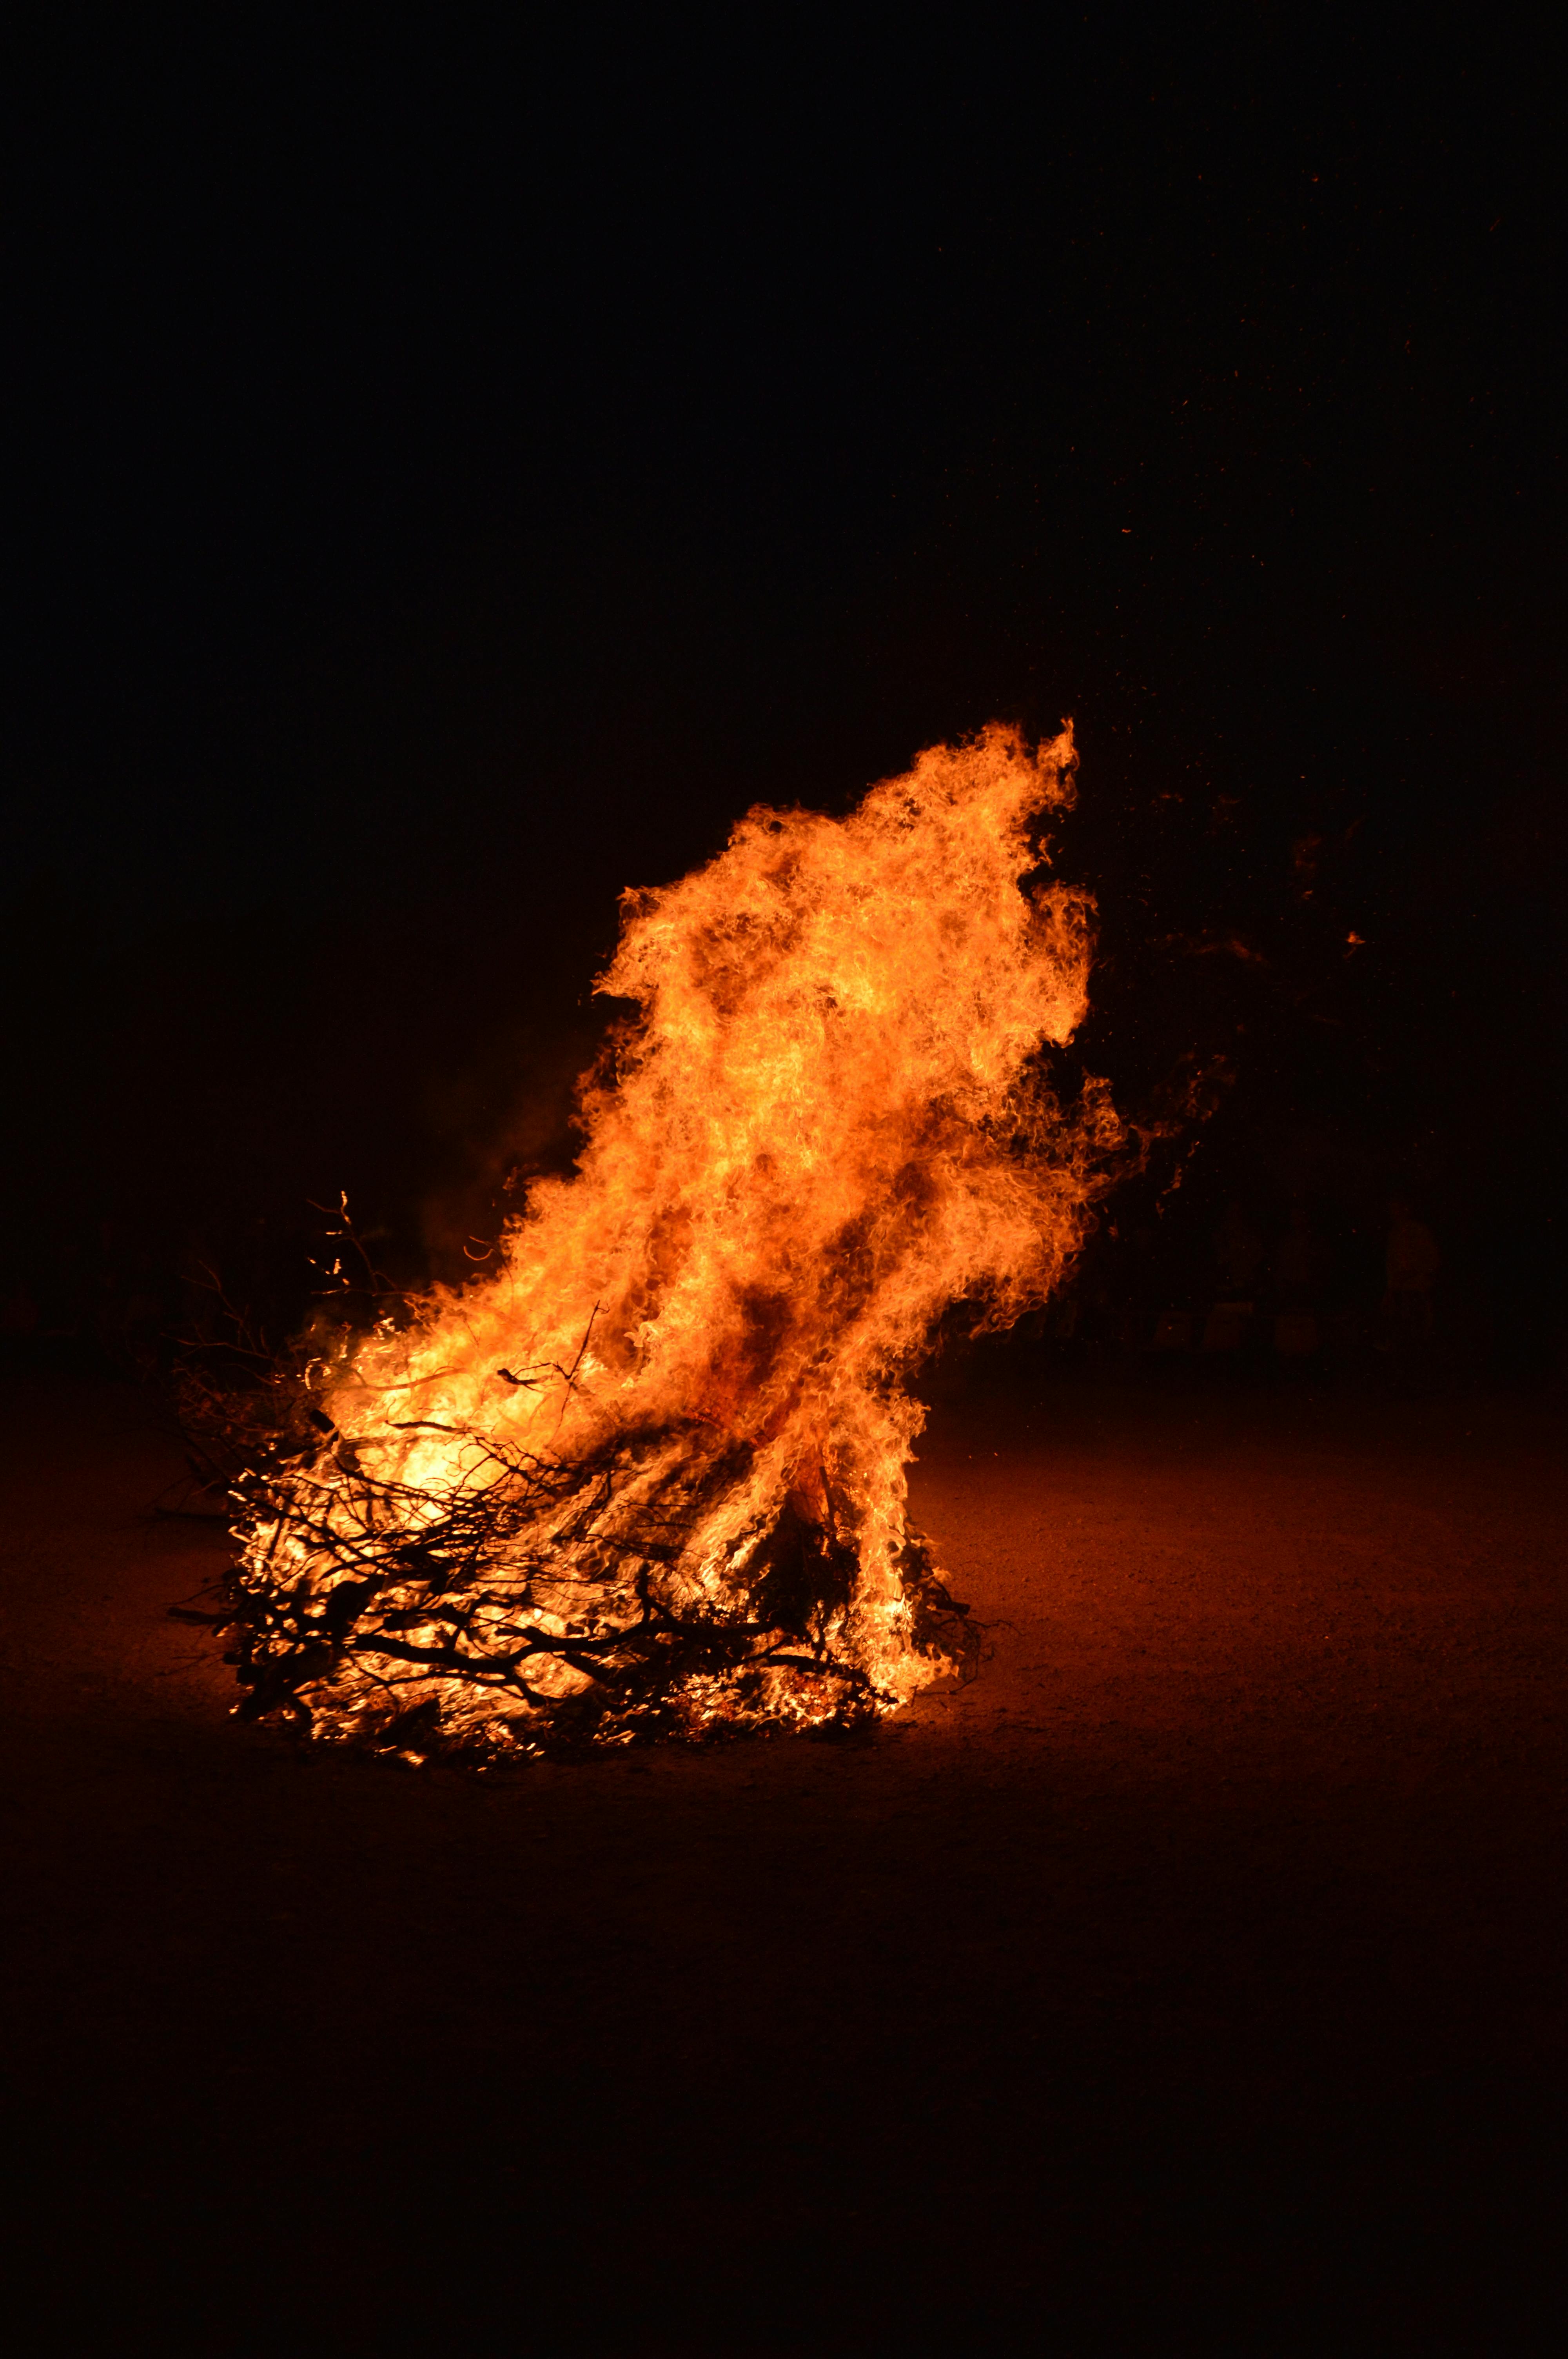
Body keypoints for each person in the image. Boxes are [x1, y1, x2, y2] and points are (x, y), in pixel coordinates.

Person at [1382, 1197, 1440, 1339]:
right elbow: (1391, 1264)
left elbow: (1432, 1260)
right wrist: (1390, 1289)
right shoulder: (1394, 1235)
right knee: (1402, 1330)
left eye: (1396, 1208)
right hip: (1400, 1291)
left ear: (1406, 1209)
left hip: (1417, 1288)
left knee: (1419, 1329)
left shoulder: (1419, 1232)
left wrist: (1413, 1273)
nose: (1393, 1213)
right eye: (1391, 1209)